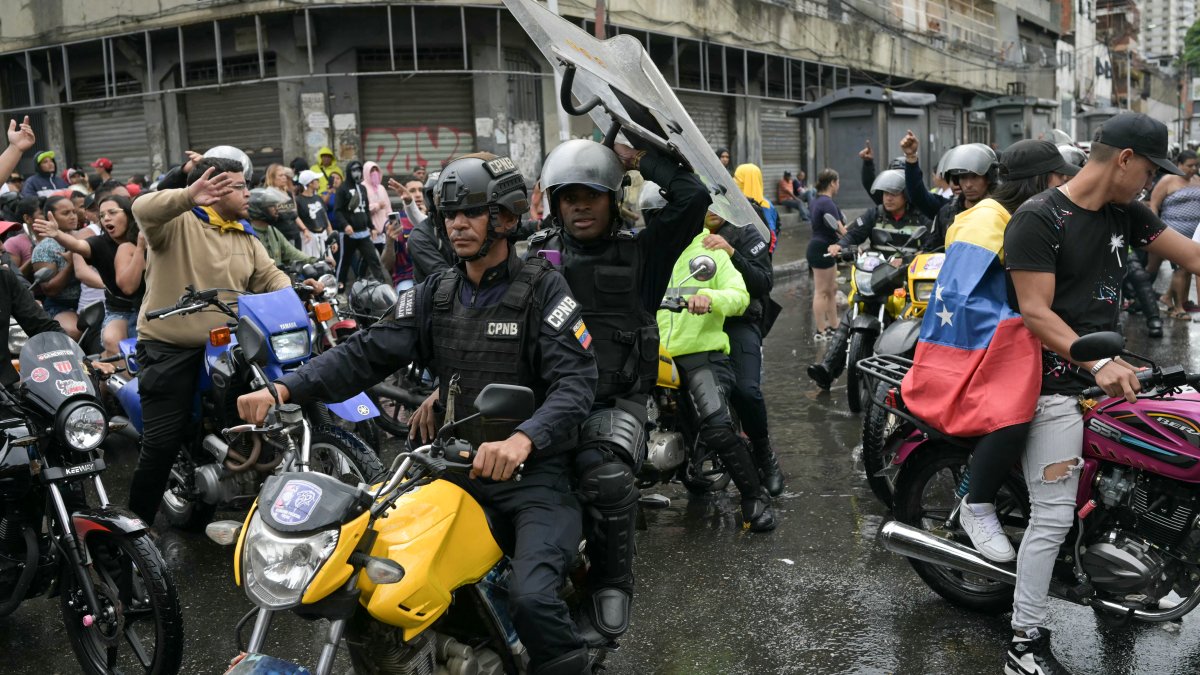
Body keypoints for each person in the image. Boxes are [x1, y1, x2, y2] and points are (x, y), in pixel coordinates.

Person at [238, 152, 599, 675]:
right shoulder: (436, 293)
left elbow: (575, 383)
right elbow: (365, 353)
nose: (457, 224)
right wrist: (284, 390)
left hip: (533, 475)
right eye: (449, 214)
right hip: (448, 467)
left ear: (505, 217)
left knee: (533, 597)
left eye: (472, 212)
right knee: (365, 566)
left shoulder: (544, 289)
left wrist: (523, 440)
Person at [1001, 112, 1200, 674]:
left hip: (1103, 377)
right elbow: (1036, 312)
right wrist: (1097, 361)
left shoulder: (1126, 212)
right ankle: (1024, 644)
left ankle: (1127, 584)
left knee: (1157, 464)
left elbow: (1194, 257)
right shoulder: (1039, 218)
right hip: (1048, 385)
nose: (1151, 184)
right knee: (1053, 514)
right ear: (1124, 160)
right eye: (1148, 171)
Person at [516, 139, 714, 644]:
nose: (580, 206)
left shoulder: (643, 253)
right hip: (548, 400)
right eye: (569, 197)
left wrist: (639, 159)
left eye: (591, 195)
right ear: (556, 204)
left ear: (612, 198)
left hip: (614, 400)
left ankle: (612, 586)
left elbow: (692, 197)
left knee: (605, 480)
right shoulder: (534, 258)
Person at [900, 140, 1078, 567]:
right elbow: (961, 299)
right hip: (985, 341)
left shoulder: (1023, 215)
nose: (1064, 186)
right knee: (1014, 412)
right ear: (1038, 181)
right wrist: (1023, 322)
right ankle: (978, 504)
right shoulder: (984, 220)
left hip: (1023, 331)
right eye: (1058, 179)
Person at [126, 156, 308, 528]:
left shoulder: (243, 233)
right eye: (239, 187)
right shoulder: (176, 224)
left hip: (229, 345)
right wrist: (187, 194)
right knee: (162, 443)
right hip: (171, 348)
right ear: (213, 189)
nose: (248, 193)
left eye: (246, 185)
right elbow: (141, 207)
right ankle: (130, 536)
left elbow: (269, 276)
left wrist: (297, 293)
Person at [657, 226, 778, 533]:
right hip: (654, 352)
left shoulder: (712, 248)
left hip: (702, 350)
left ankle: (754, 495)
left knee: (718, 426)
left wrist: (708, 297)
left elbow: (741, 295)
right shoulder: (650, 250)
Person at [807, 168, 932, 390]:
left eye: (894, 193)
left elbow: (931, 247)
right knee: (856, 307)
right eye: (885, 193)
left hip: (905, 282)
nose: (888, 198)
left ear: (906, 195)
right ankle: (828, 368)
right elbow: (854, 234)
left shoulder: (920, 218)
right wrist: (841, 245)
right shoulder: (875, 214)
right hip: (877, 277)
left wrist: (911, 260)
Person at [698, 207, 784, 496]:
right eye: (703, 202)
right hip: (692, 322)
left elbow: (763, 281)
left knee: (746, 390)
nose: (710, 210)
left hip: (739, 321)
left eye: (715, 203)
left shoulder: (747, 232)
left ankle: (763, 453)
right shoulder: (686, 232)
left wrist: (732, 253)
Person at [33, 194, 146, 356]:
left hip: (148, 307)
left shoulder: (144, 238)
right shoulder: (99, 244)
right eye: (102, 215)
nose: (107, 218)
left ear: (129, 214)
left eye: (113, 212)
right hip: (120, 309)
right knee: (112, 340)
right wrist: (57, 233)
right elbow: (78, 245)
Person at [899, 132, 997, 246]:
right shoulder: (947, 211)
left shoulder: (1001, 211)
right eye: (963, 177)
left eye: (975, 177)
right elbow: (918, 196)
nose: (968, 184)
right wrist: (911, 158)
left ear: (989, 178)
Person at [1146, 149, 1200, 319]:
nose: (1193, 169)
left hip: (1193, 233)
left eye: (1196, 165)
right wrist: (1155, 230)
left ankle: (1173, 299)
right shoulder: (1168, 180)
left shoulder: (1197, 180)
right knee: (1180, 270)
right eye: (1189, 165)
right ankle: (1177, 308)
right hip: (1172, 231)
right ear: (1179, 164)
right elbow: (1154, 205)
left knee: (1188, 269)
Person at [30, 195, 82, 338]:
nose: (73, 216)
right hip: (60, 305)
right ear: (50, 217)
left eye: (74, 212)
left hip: (91, 301)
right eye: (66, 213)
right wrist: (71, 265)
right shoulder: (45, 248)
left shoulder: (84, 237)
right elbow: (50, 290)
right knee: (73, 331)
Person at [806, 169, 845, 342]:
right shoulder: (827, 203)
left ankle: (834, 325)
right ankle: (821, 330)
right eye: (838, 182)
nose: (839, 186)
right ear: (832, 183)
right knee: (821, 291)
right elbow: (840, 229)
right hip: (821, 248)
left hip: (825, 248)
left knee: (831, 290)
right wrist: (854, 239)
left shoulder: (816, 201)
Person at [335, 160, 387, 286]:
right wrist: (345, 225)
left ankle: (382, 285)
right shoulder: (342, 189)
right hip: (349, 234)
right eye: (354, 170)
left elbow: (365, 210)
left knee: (373, 259)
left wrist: (372, 227)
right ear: (348, 172)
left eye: (358, 170)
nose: (356, 173)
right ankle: (340, 288)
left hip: (364, 233)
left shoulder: (362, 188)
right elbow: (338, 211)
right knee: (345, 262)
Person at [248, 187, 317, 268]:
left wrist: (315, 261)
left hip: (278, 279)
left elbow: (292, 253)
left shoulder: (273, 231)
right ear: (258, 209)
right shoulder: (248, 234)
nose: (276, 208)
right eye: (271, 206)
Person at [733, 163, 779, 244]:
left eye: (737, 178)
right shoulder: (737, 202)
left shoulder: (765, 206)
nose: (733, 180)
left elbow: (770, 239)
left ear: (746, 181)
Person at [295, 170, 333, 260]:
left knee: (328, 265)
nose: (319, 181)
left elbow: (325, 218)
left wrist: (331, 237)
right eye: (316, 180)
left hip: (323, 237)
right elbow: (295, 218)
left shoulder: (318, 198)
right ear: (310, 183)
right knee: (312, 265)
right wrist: (305, 230)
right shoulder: (298, 200)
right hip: (309, 239)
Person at [264, 163, 303, 247]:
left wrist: (304, 229)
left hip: (294, 234)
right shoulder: (268, 194)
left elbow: (295, 214)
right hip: (280, 236)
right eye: (280, 175)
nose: (284, 178)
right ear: (272, 177)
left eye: (285, 175)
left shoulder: (288, 193)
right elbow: (272, 215)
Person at [363, 161, 391, 253]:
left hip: (383, 231)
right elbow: (363, 208)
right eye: (372, 170)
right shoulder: (362, 187)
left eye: (376, 170)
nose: (374, 172)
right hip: (369, 231)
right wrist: (377, 206)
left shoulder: (381, 188)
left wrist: (390, 223)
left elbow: (388, 207)